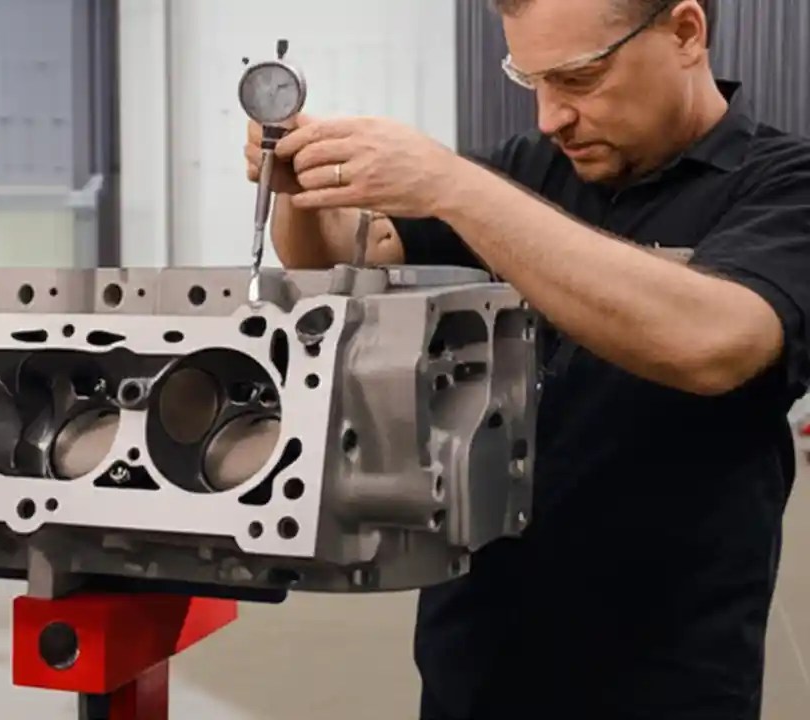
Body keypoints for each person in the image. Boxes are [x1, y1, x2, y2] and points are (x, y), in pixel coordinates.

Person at [245, 0, 810, 718]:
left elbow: (714, 341)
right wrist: (303, 188)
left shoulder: (784, 184)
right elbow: (349, 255)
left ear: (686, 33)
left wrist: (454, 185)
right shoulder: (526, 170)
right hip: (475, 668)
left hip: (666, 677)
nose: (550, 118)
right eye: (532, 81)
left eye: (579, 79)